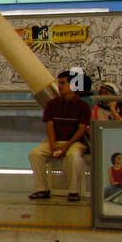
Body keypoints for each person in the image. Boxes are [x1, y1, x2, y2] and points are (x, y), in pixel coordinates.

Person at [29, 70, 91, 202]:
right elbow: (50, 125)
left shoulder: (83, 106)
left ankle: (73, 191)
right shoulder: (52, 104)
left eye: (63, 83)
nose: (60, 86)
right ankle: (42, 189)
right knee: (35, 154)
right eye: (59, 83)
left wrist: (66, 146)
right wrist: (52, 144)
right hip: (56, 141)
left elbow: (81, 129)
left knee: (73, 156)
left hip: (75, 142)